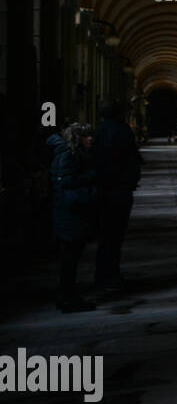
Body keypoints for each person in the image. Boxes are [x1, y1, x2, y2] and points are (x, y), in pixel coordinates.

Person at [47, 122, 99, 312]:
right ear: (77, 138)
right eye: (86, 136)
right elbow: (67, 183)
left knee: (71, 258)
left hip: (70, 213)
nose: (90, 139)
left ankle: (68, 295)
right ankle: (68, 298)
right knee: (69, 259)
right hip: (69, 214)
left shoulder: (72, 153)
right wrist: (93, 182)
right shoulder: (67, 155)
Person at [93, 100, 142, 291]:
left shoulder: (97, 133)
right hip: (120, 190)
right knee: (115, 235)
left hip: (101, 190)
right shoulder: (123, 131)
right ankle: (111, 274)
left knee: (104, 235)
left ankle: (101, 274)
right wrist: (131, 182)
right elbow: (133, 160)